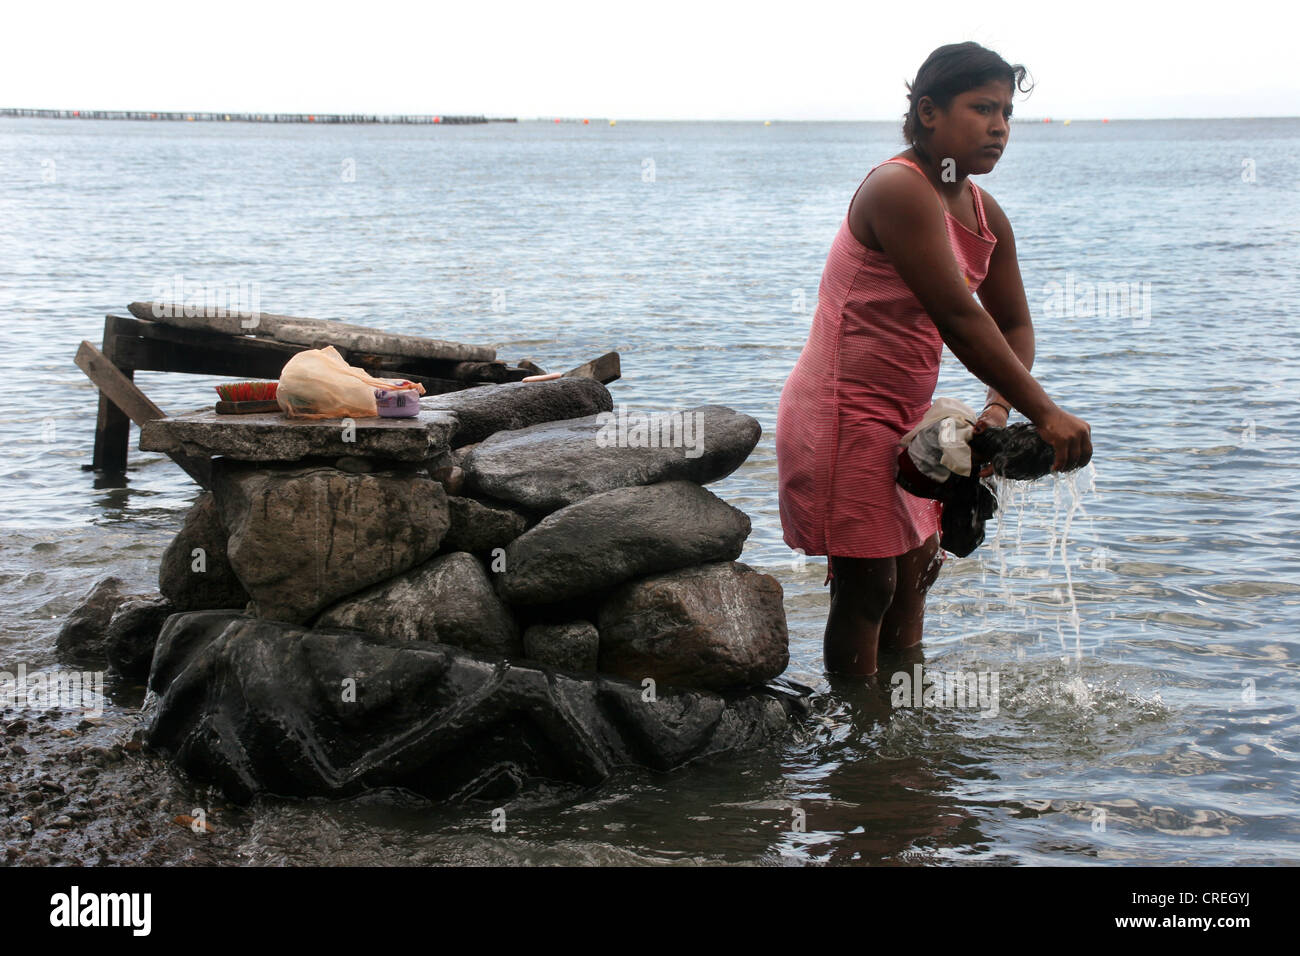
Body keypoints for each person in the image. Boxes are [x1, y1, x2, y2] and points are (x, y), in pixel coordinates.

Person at [775, 42, 1092, 678]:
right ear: (927, 112)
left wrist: (1000, 411)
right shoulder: (899, 189)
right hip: (841, 413)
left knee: (917, 575)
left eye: (1007, 112)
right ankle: (862, 748)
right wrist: (1047, 413)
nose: (1000, 126)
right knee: (869, 589)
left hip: (909, 416)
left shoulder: (981, 209)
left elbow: (1014, 324)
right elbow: (960, 319)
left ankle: (905, 732)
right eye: (982, 108)